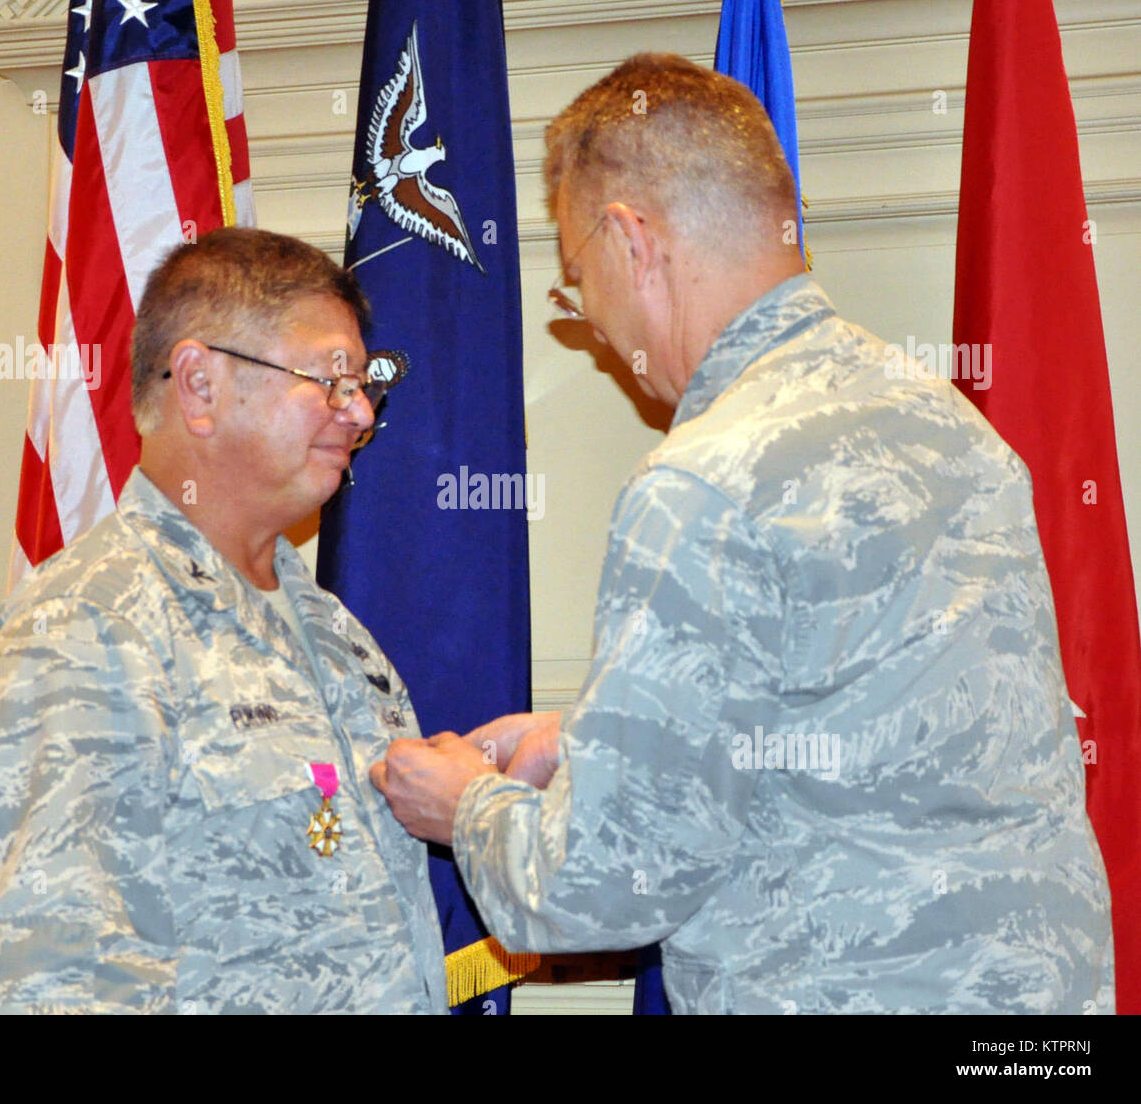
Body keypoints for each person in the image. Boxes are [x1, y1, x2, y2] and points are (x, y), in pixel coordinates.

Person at [371, 54, 1116, 1014]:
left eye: (575, 281)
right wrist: (599, 737)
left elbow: (595, 889)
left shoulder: (702, 481)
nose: (589, 324)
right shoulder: (953, 426)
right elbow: (886, 726)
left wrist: (464, 800)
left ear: (632, 241)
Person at [0, 228, 447, 1014]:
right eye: (329, 379)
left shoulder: (340, 639)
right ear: (200, 385)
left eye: (365, 384)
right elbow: (49, 981)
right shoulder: (89, 626)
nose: (359, 415)